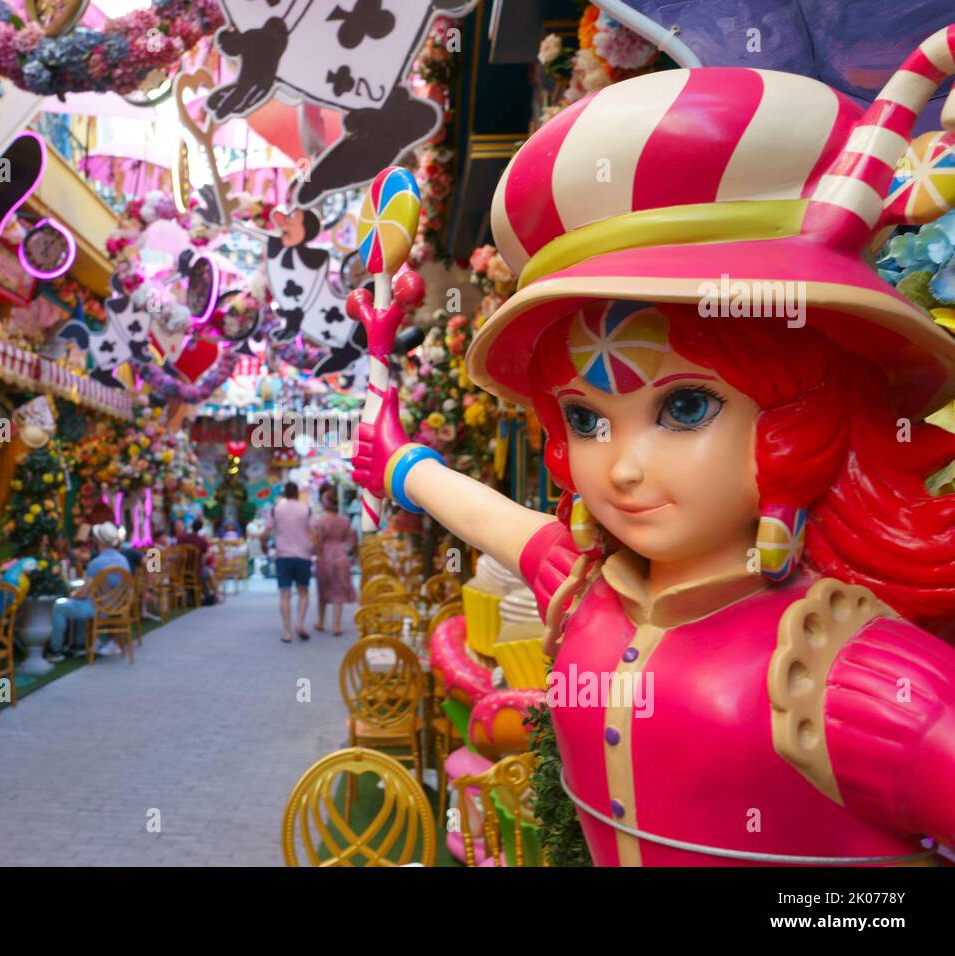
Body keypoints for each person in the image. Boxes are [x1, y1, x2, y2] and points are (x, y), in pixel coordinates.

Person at [351, 38, 955, 866]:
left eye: (684, 406)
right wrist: (396, 461)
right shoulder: (596, 584)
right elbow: (496, 522)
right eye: (587, 420)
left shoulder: (856, 673)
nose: (623, 469)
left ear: (807, 413)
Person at [49, 523, 131, 661]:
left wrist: (73, 595)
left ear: (97, 541)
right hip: (119, 606)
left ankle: (55, 650)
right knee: (82, 603)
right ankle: (80, 644)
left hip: (100, 609)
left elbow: (83, 593)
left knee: (59, 606)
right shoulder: (123, 560)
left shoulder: (96, 563)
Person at [265, 481, 313, 643]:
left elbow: (267, 531)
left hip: (283, 555)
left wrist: (264, 547)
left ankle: (287, 631)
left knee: (285, 594)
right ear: (297, 493)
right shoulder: (306, 509)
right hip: (303, 555)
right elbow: (313, 531)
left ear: (284, 493)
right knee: (303, 592)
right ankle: (300, 623)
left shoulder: (276, 509)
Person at [312, 485, 357, 636]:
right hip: (340, 555)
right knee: (338, 590)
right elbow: (352, 539)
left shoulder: (320, 521)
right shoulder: (344, 521)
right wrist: (352, 554)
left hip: (325, 555)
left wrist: (317, 554)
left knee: (323, 590)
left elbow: (317, 541)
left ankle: (321, 621)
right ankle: (336, 626)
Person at [176, 518, 219, 604]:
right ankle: (216, 595)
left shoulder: (182, 538)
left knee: (206, 572)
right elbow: (207, 554)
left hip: (181, 570)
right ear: (200, 528)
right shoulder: (201, 540)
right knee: (210, 573)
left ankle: (203, 594)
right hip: (196, 571)